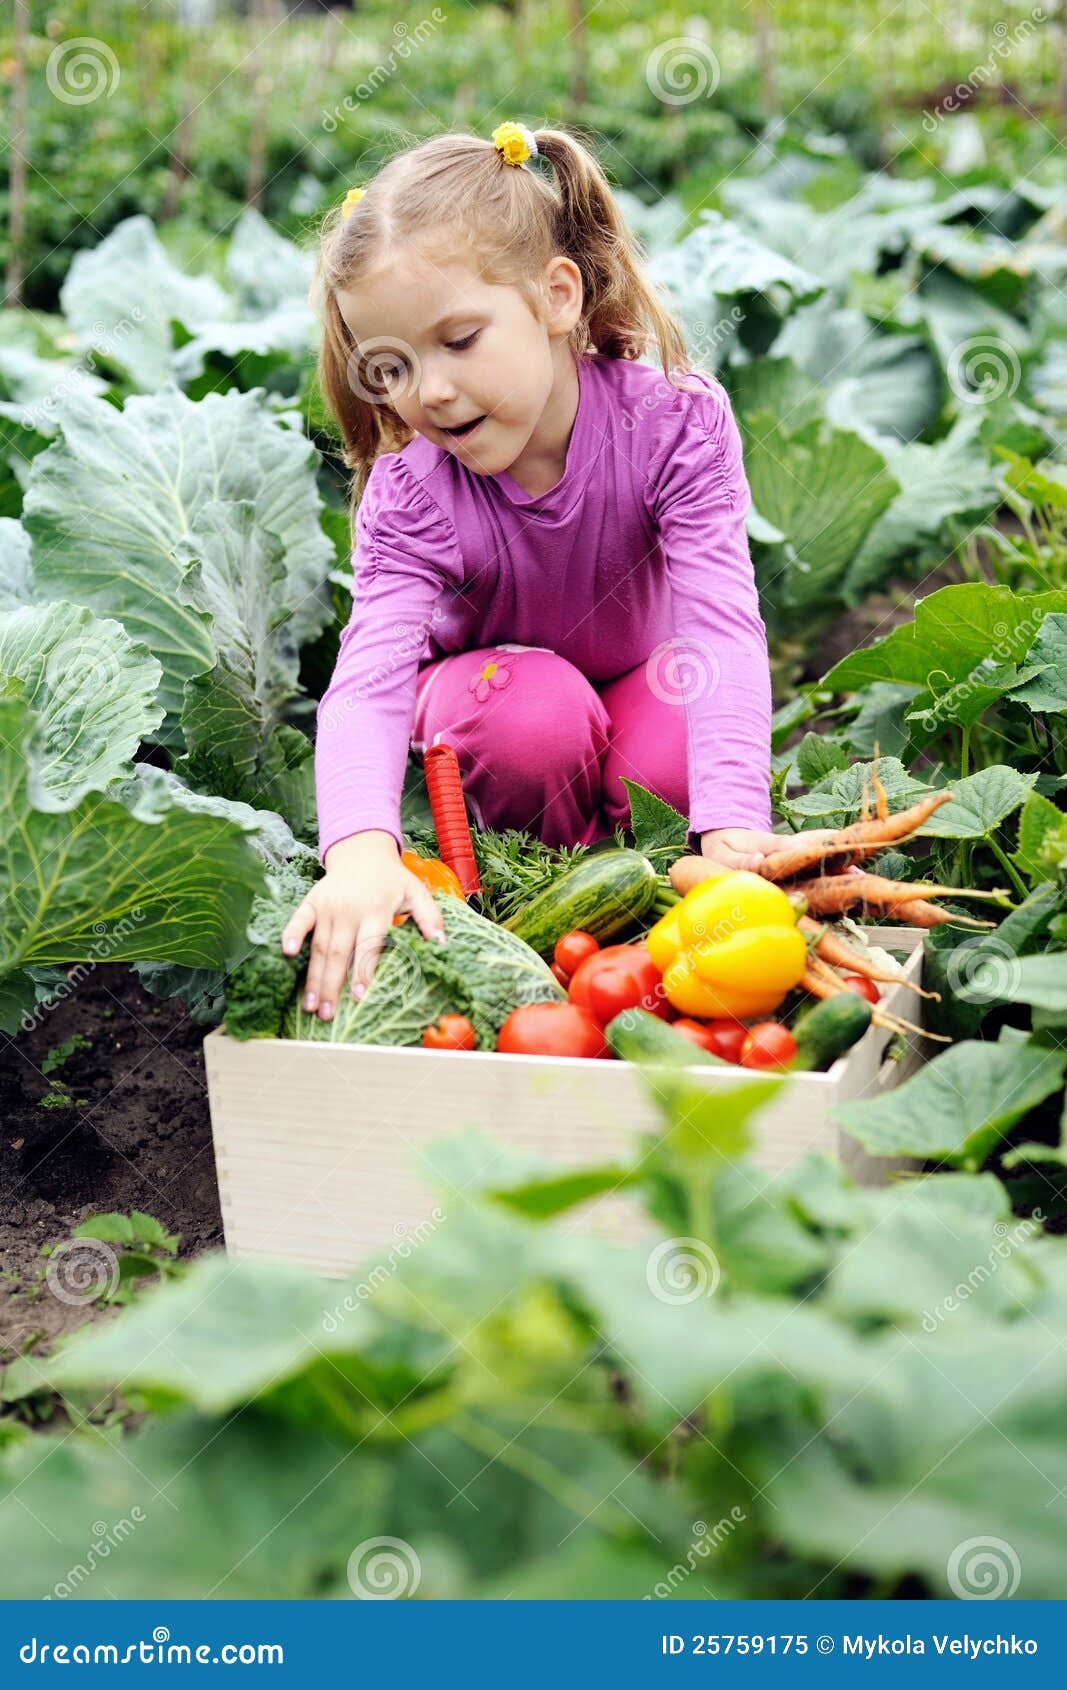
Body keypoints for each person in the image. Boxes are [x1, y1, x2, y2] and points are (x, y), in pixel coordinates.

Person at [282, 120, 782, 1024]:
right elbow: (366, 682)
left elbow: (720, 630)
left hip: (637, 671)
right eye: (392, 366)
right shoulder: (413, 492)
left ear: (557, 297)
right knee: (539, 716)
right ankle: (542, 904)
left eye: (459, 341)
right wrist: (357, 851)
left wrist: (733, 823)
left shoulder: (673, 424)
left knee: (676, 765)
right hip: (488, 694)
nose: (427, 392)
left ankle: (633, 888)